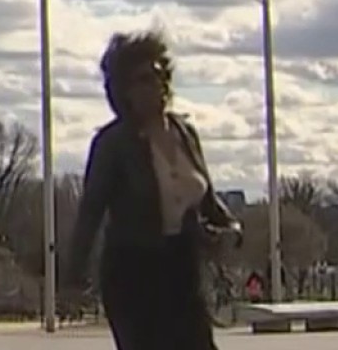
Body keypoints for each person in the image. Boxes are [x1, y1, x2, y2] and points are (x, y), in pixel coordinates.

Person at [60, 30, 240, 350]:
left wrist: (230, 230)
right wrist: (74, 277)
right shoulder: (112, 144)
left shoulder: (185, 134)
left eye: (159, 74)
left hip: (183, 271)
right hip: (134, 273)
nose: (155, 84)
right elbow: (91, 212)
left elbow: (208, 201)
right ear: (124, 90)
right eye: (143, 78)